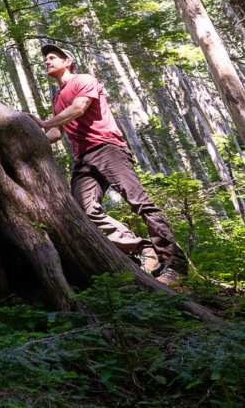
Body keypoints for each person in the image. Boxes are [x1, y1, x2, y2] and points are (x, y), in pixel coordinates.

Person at [31, 43, 188, 284]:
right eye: (45, 60)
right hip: (82, 158)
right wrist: (30, 139)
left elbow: (79, 108)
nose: (47, 62)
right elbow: (57, 133)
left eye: (53, 58)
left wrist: (44, 122)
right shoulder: (56, 97)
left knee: (140, 202)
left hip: (108, 148)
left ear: (67, 62)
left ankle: (175, 263)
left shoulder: (83, 80)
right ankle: (143, 248)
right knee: (83, 212)